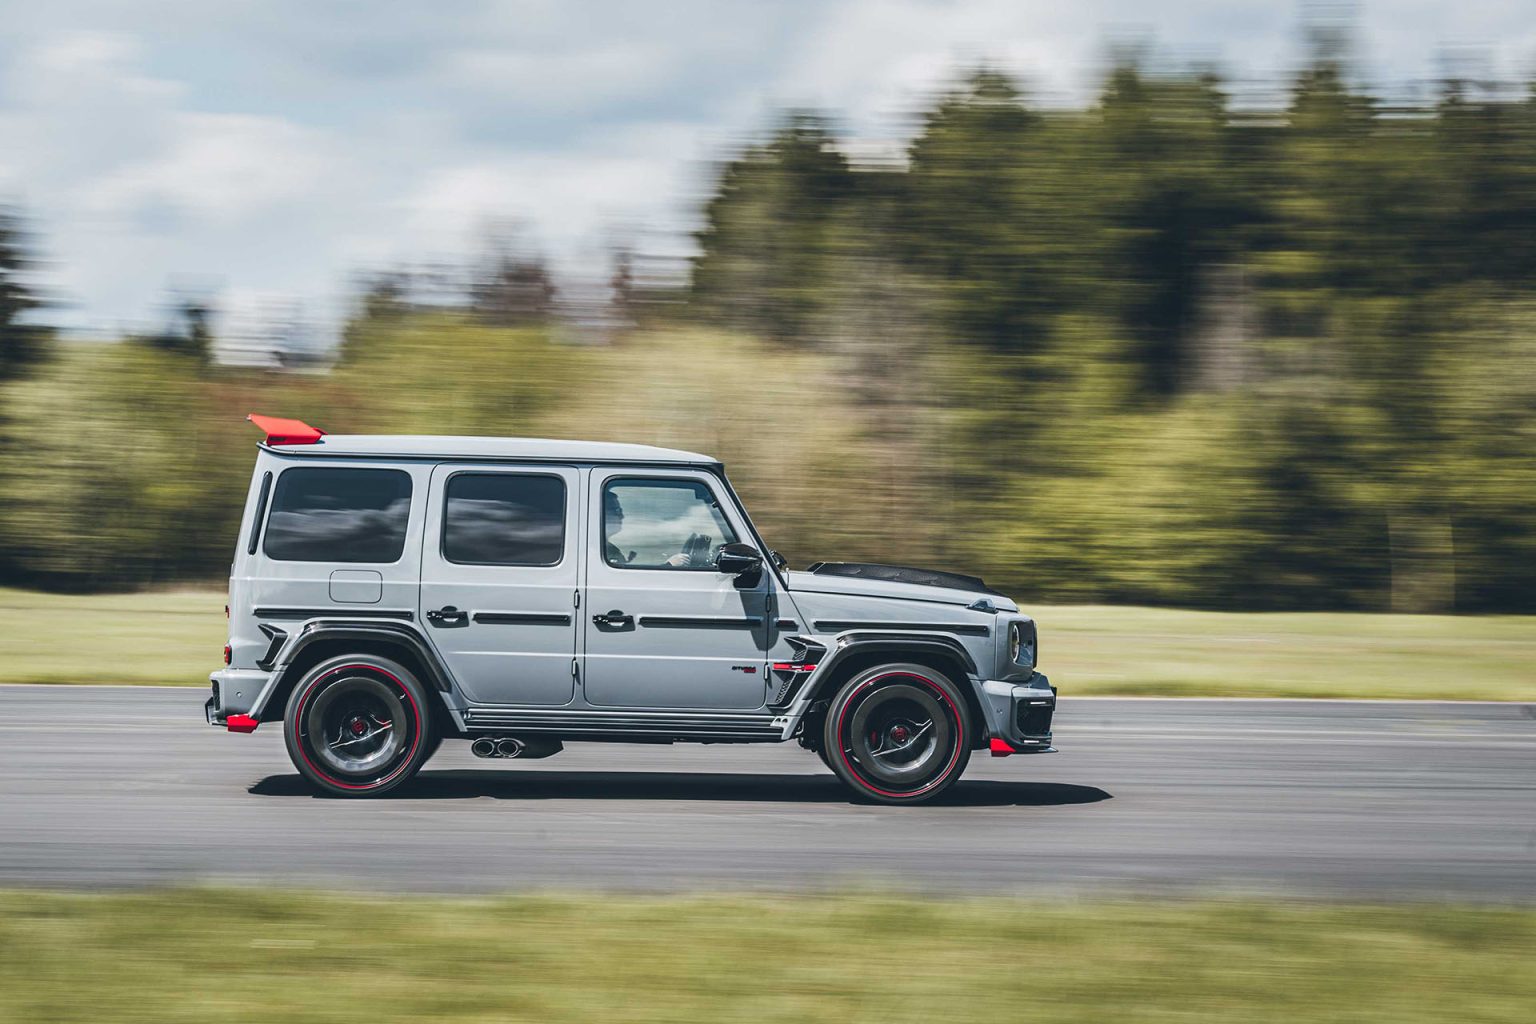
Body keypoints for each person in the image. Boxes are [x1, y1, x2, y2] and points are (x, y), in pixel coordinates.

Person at [604, 489, 710, 567]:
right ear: (601, 513)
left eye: (620, 511)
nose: (621, 516)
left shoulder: (609, 549)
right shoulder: (604, 552)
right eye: (616, 511)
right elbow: (630, 583)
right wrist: (670, 564)